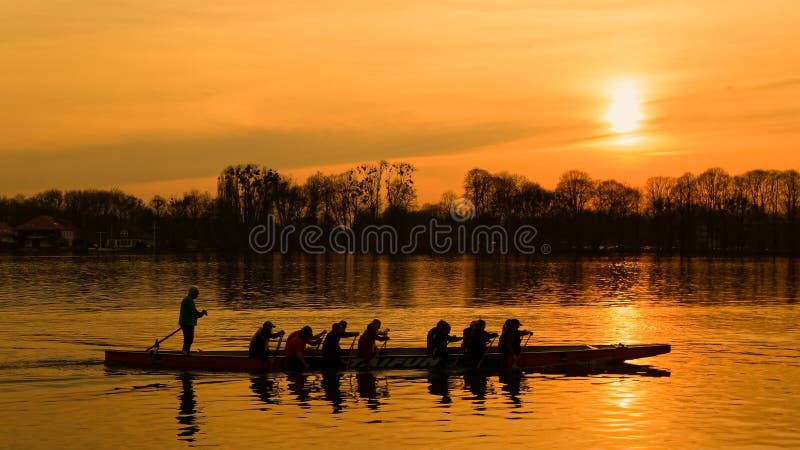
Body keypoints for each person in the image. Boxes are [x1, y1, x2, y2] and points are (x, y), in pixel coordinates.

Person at [178, 286, 207, 355]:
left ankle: (186, 351)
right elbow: (194, 312)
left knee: (188, 339)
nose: (197, 296)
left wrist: (201, 314)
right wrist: (201, 313)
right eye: (197, 294)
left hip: (187, 322)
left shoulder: (188, 299)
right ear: (193, 293)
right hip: (187, 323)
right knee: (189, 339)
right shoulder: (189, 300)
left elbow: (195, 313)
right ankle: (185, 352)